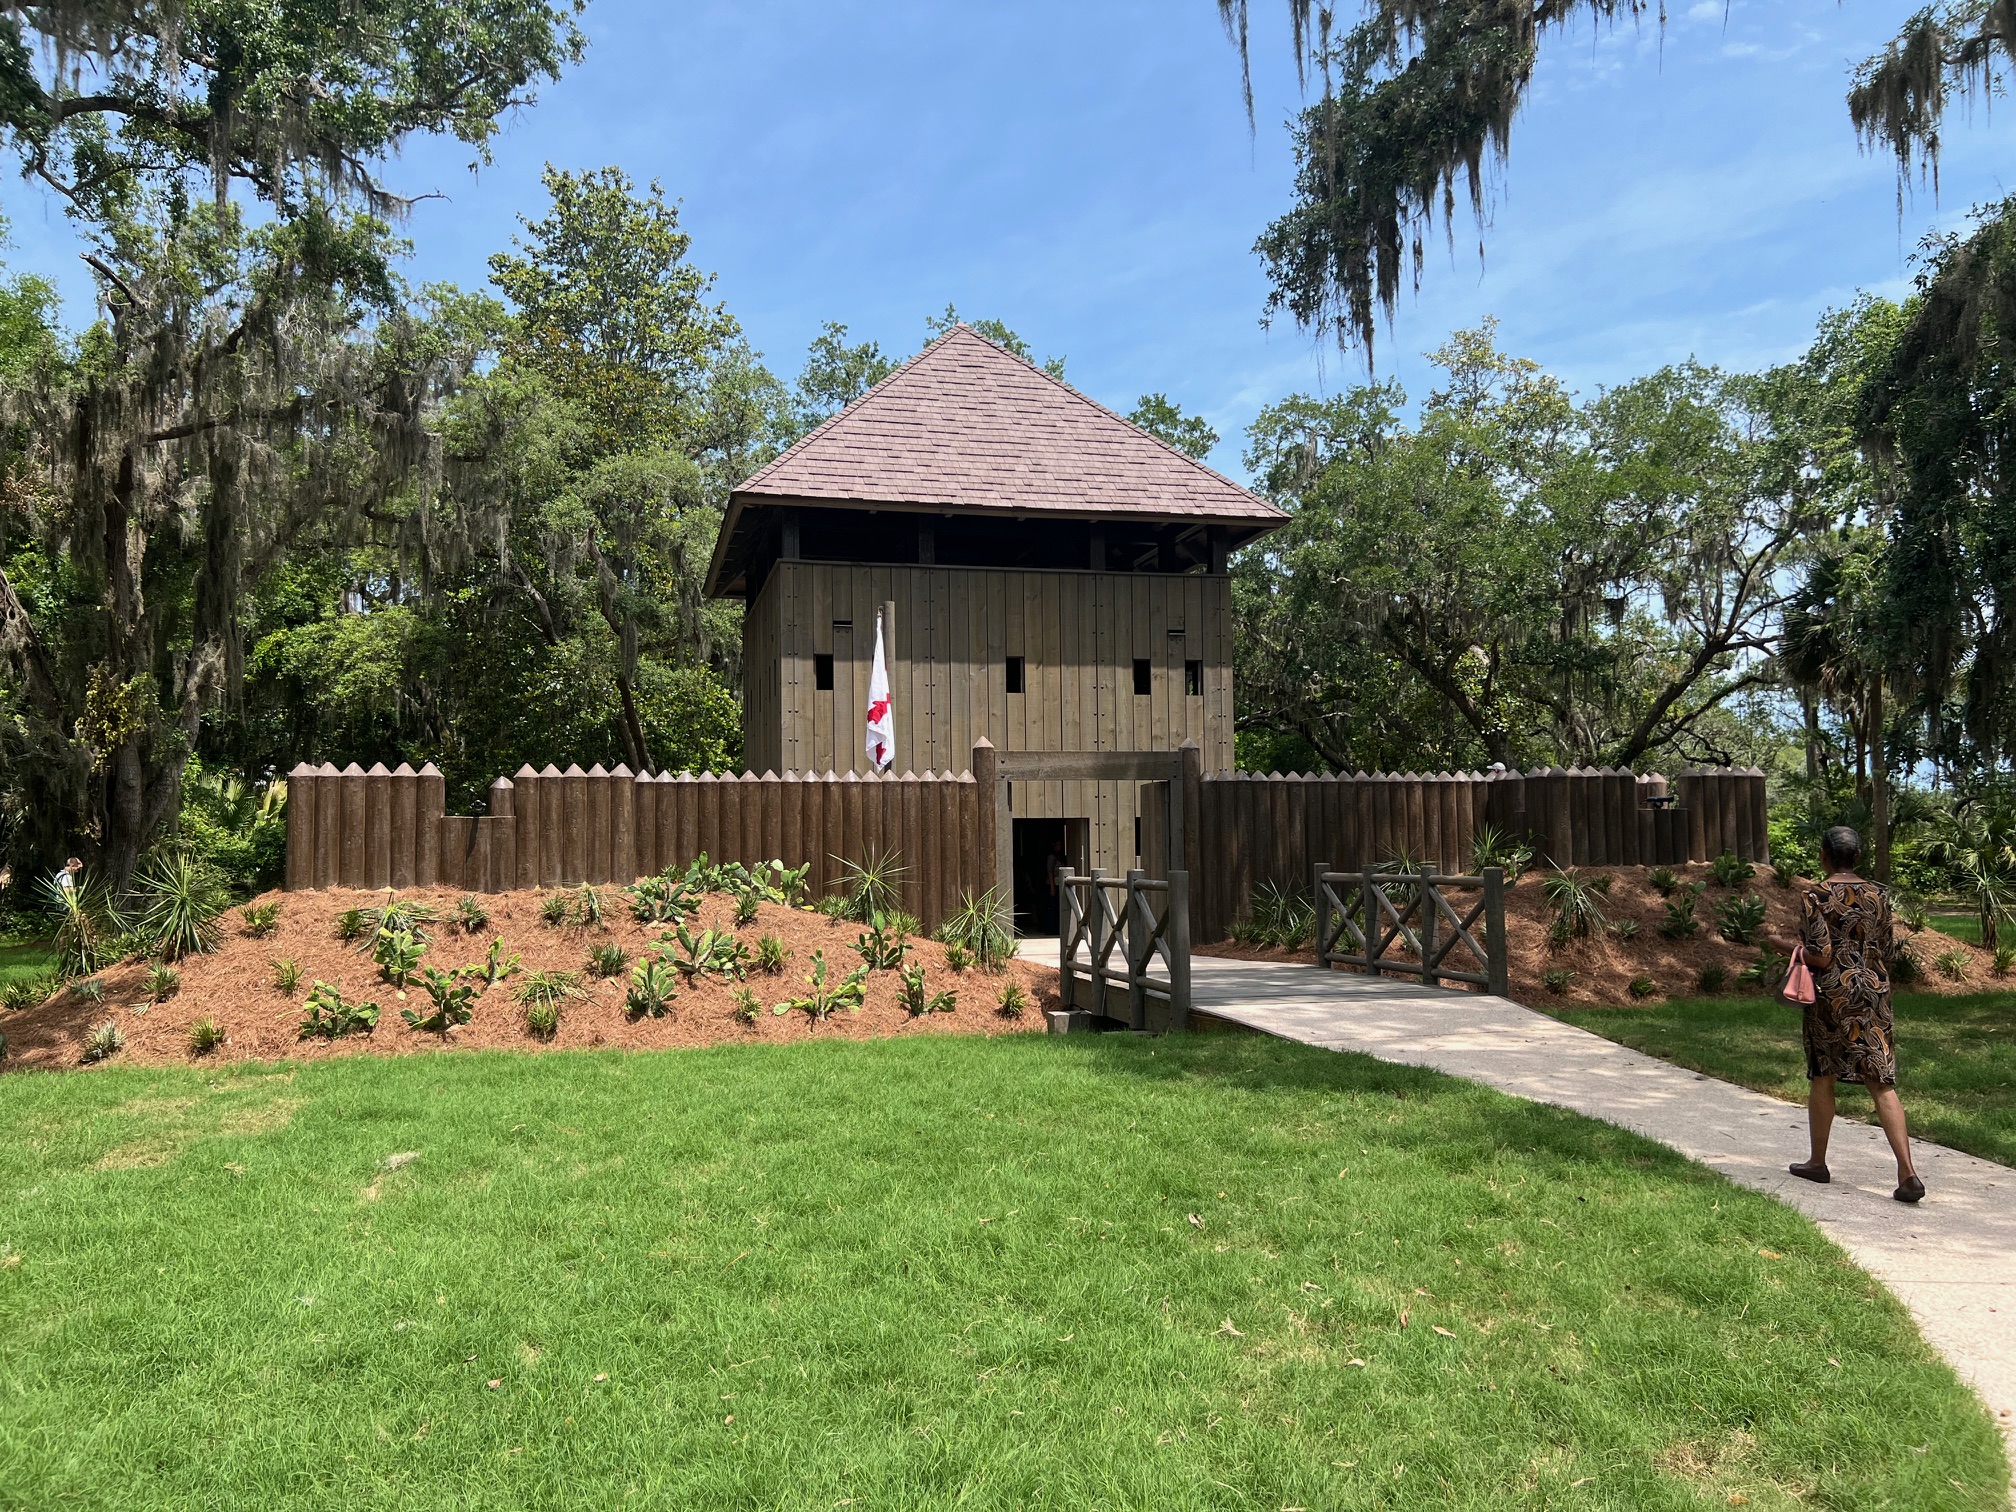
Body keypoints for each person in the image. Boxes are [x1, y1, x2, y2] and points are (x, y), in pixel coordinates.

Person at [1768, 825, 1924, 1203]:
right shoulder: (1878, 895)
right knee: (1881, 1080)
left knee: (1824, 1074)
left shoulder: (1815, 895)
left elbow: (1820, 955)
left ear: (1824, 855)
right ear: (1857, 856)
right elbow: (1886, 946)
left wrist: (1783, 946)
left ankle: (1817, 1163)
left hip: (1832, 996)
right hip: (1873, 991)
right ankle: (1907, 1172)